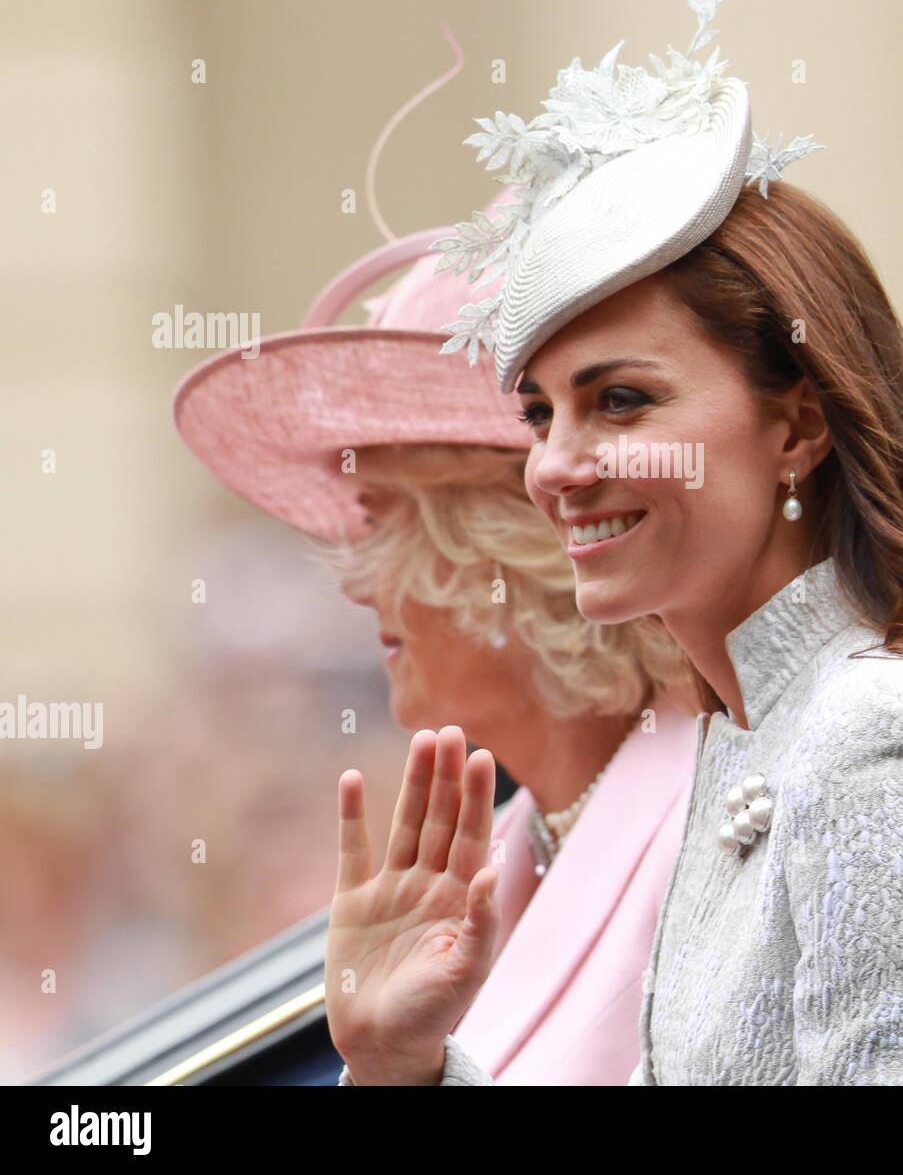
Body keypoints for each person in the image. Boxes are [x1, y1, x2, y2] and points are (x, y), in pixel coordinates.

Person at [328, 0, 903, 1087]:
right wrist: (406, 1066)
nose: (557, 468)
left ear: (799, 426)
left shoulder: (889, 730)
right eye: (540, 414)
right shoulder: (748, 727)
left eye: (621, 400)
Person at [172, 196, 698, 1085]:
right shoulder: (501, 852)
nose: (355, 582)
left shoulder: (720, 812)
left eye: (383, 522)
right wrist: (393, 1067)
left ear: (518, 543)